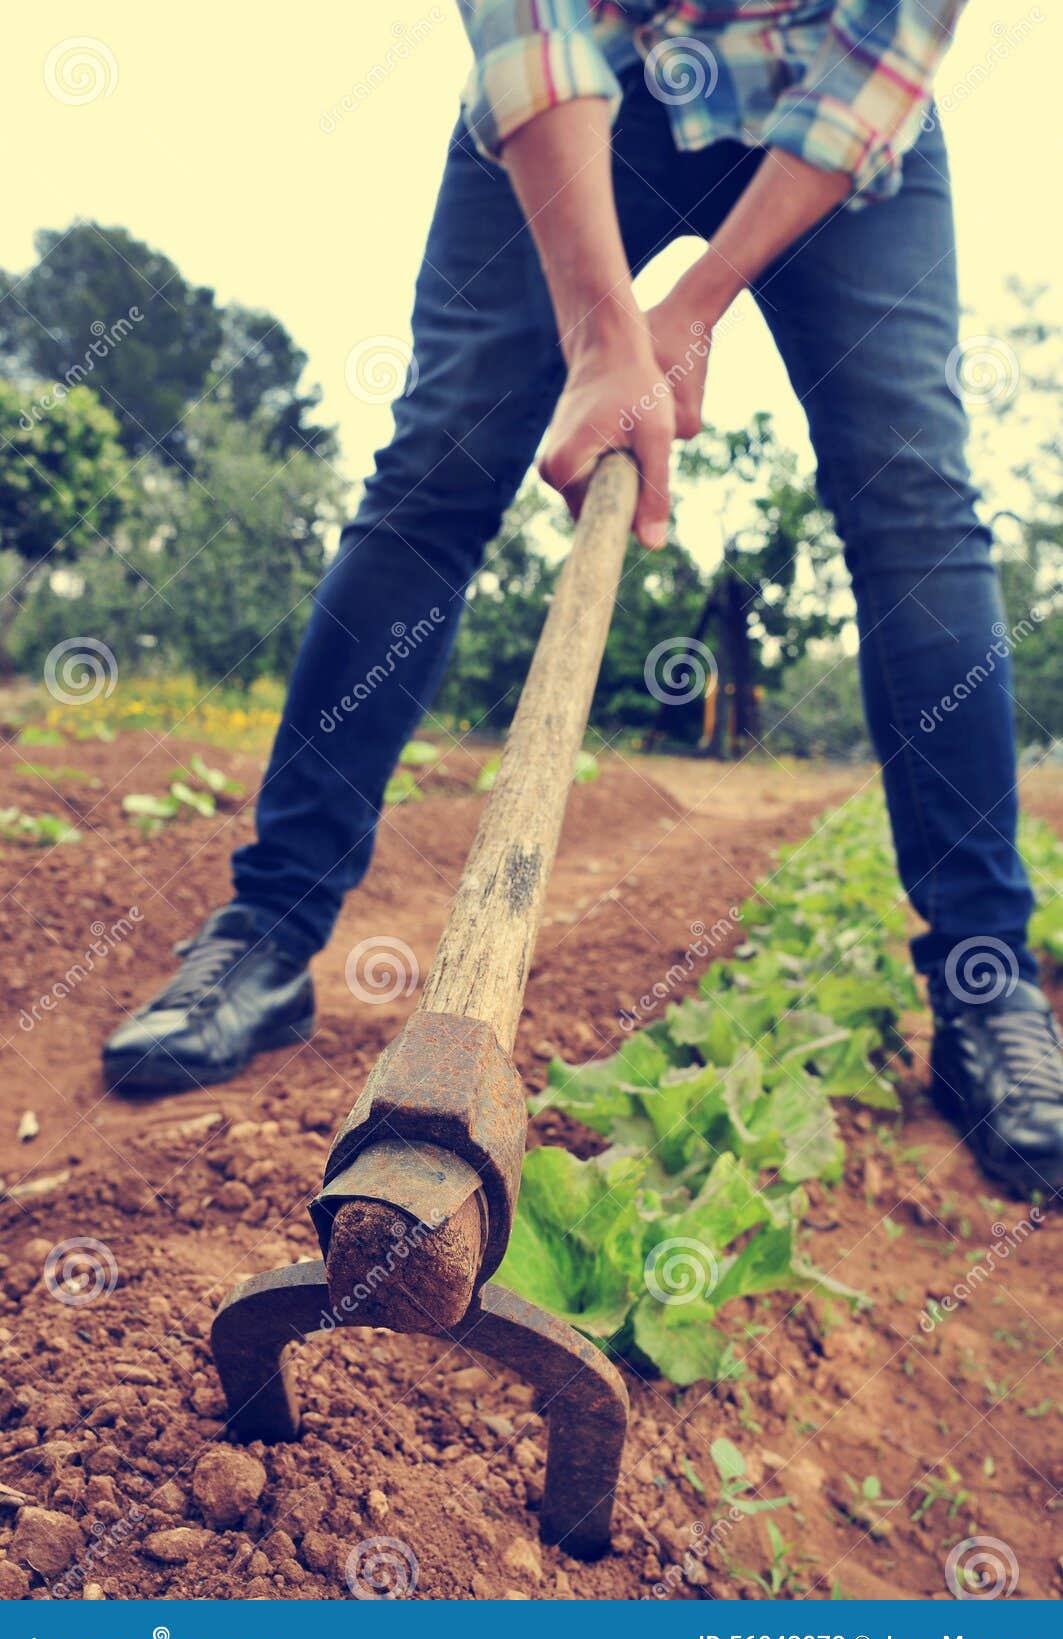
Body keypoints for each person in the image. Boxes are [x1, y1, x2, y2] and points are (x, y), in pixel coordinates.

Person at [104, 2, 1063, 1200]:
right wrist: (605, 331)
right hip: (581, 84)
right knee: (437, 468)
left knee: (915, 501)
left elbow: (880, 56)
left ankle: (986, 979)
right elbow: (530, 26)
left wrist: (694, 307)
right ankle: (266, 931)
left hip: (831, 115)